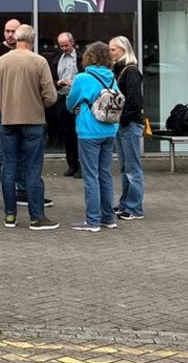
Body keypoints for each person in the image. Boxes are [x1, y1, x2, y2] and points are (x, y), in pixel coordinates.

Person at [0, 24, 59, 230]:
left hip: (8, 121)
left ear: (17, 38)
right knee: (32, 169)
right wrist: (38, 105)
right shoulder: (39, 61)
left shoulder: (2, 61)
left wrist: (6, 107)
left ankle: (10, 215)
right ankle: (37, 217)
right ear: (32, 40)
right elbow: (51, 96)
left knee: (9, 167)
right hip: (34, 121)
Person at [0, 19, 50, 212]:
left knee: (18, 158)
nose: (10, 35)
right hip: (1, 112)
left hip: (19, 113)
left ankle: (22, 194)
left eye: (13, 31)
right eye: (7, 31)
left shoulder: (31, 58)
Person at [65, 42, 119, 232]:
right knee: (105, 174)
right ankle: (108, 218)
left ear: (88, 57)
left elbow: (70, 102)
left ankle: (93, 220)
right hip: (109, 130)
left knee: (90, 176)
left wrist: (76, 107)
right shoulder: (111, 77)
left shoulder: (82, 78)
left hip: (89, 131)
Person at [110, 36, 145, 220]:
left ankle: (134, 207)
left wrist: (123, 119)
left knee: (132, 168)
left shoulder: (130, 71)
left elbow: (135, 101)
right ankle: (126, 203)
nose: (111, 53)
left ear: (123, 50)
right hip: (123, 124)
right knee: (125, 167)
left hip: (128, 124)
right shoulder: (120, 70)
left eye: (113, 49)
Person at [50, 32, 82, 178]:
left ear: (73, 42)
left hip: (78, 100)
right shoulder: (56, 59)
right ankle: (72, 164)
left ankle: (82, 166)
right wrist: (58, 83)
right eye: (61, 45)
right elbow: (51, 78)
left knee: (80, 133)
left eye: (66, 45)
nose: (64, 48)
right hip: (62, 98)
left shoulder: (81, 58)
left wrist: (75, 83)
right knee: (67, 134)